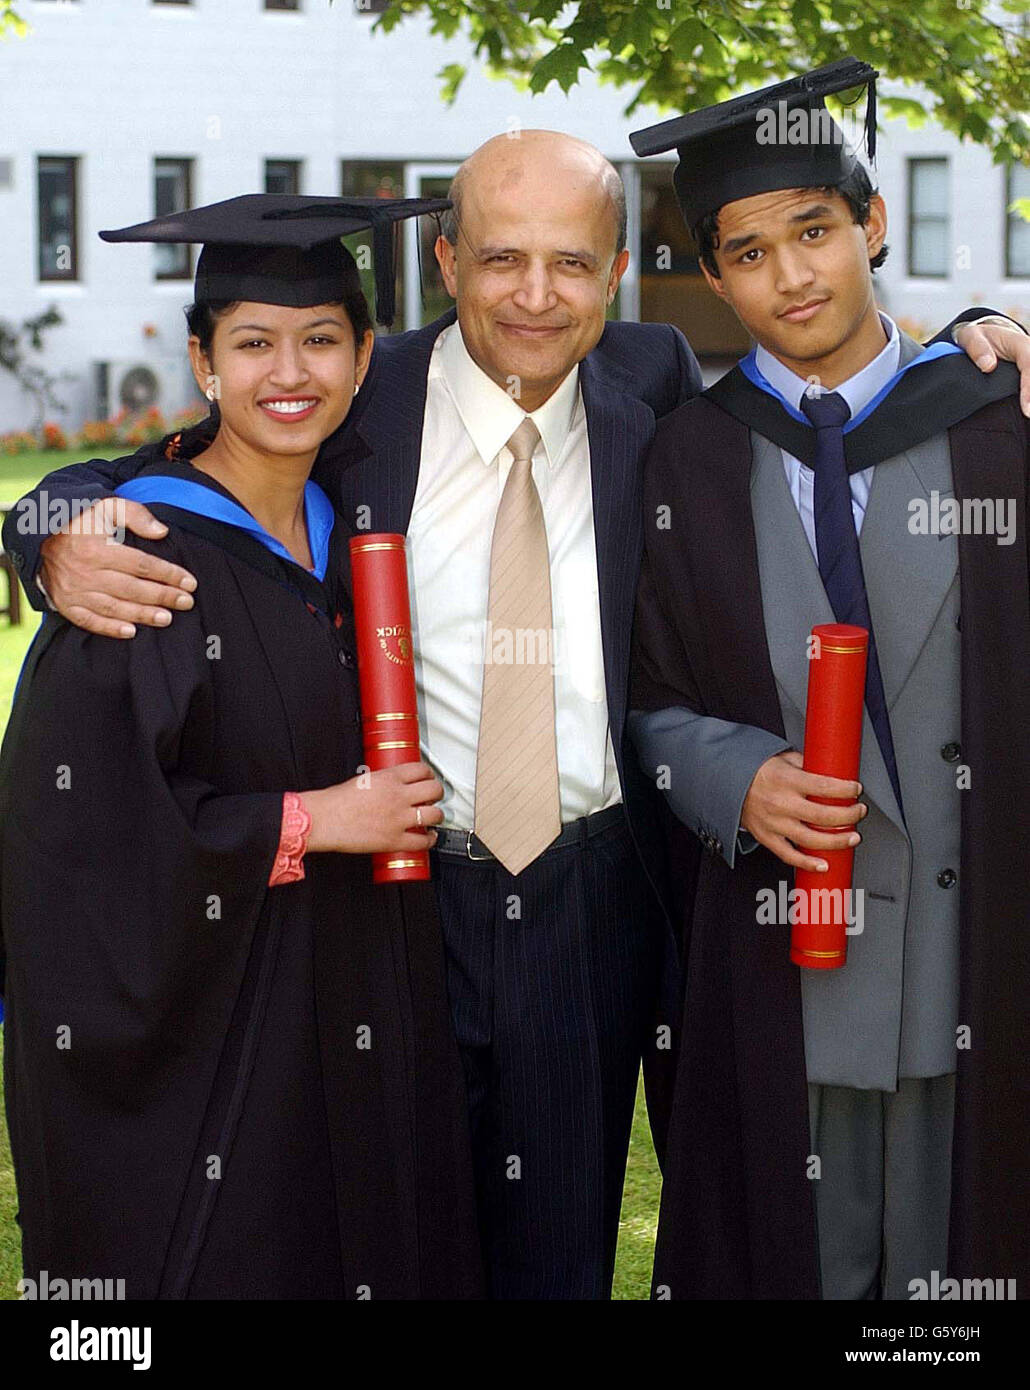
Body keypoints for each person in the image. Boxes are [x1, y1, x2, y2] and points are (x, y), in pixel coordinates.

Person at [4, 133, 1028, 1302]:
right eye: (501, 259)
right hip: (390, 901)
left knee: (559, 1255)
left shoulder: (652, 390)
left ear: (618, 273)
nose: (535, 297)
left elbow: (851, 383)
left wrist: (984, 332)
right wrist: (50, 518)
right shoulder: (354, 397)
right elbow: (208, 452)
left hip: (589, 905)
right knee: (387, 1230)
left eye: (571, 263)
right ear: (445, 263)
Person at [0, 194, 483, 1300]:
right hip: (210, 1032)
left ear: (367, 357)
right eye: (253, 342)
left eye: (321, 339)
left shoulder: (354, 526)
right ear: (203, 363)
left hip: (363, 982)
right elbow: (76, 837)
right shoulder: (137, 559)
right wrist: (316, 820)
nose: (290, 371)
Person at [628, 59, 1029, 1300]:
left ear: (873, 224)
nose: (789, 275)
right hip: (779, 958)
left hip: (979, 943)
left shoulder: (996, 421)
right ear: (711, 277)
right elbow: (641, 694)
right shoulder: (685, 458)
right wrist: (733, 775)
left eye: (813, 230)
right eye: (746, 250)